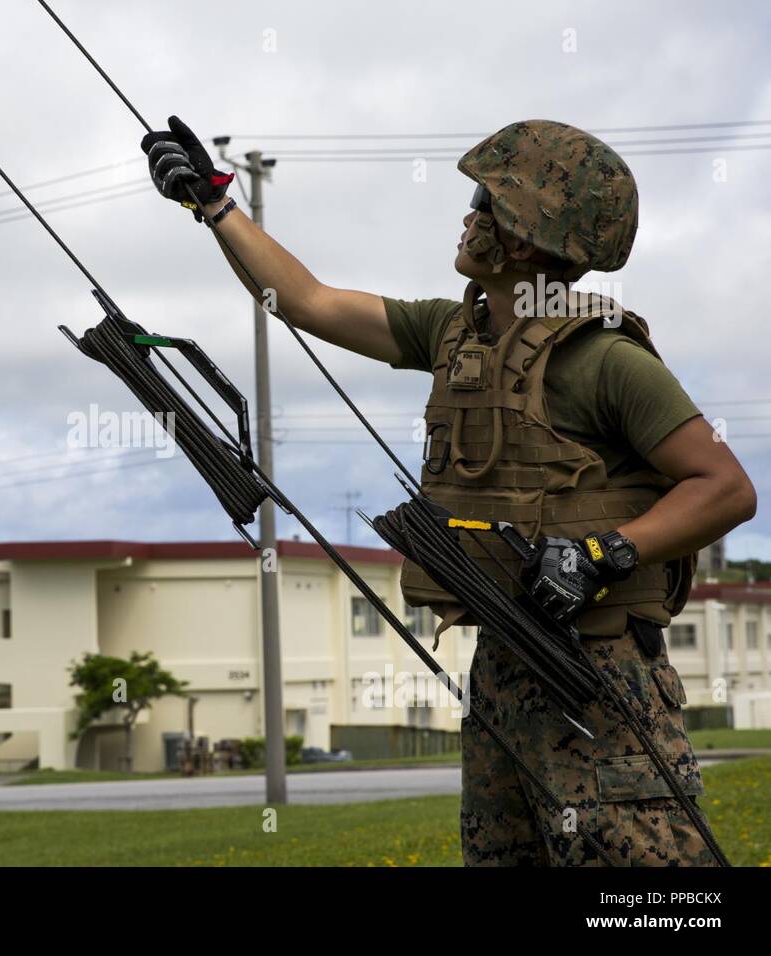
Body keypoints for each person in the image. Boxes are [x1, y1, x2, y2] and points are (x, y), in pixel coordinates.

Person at [141, 116, 757, 865]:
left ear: (525, 238)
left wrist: (602, 552)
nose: (468, 219)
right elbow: (305, 301)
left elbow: (725, 488)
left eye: (486, 206)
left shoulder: (607, 362)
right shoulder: (448, 334)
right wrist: (215, 208)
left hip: (601, 676)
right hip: (503, 665)